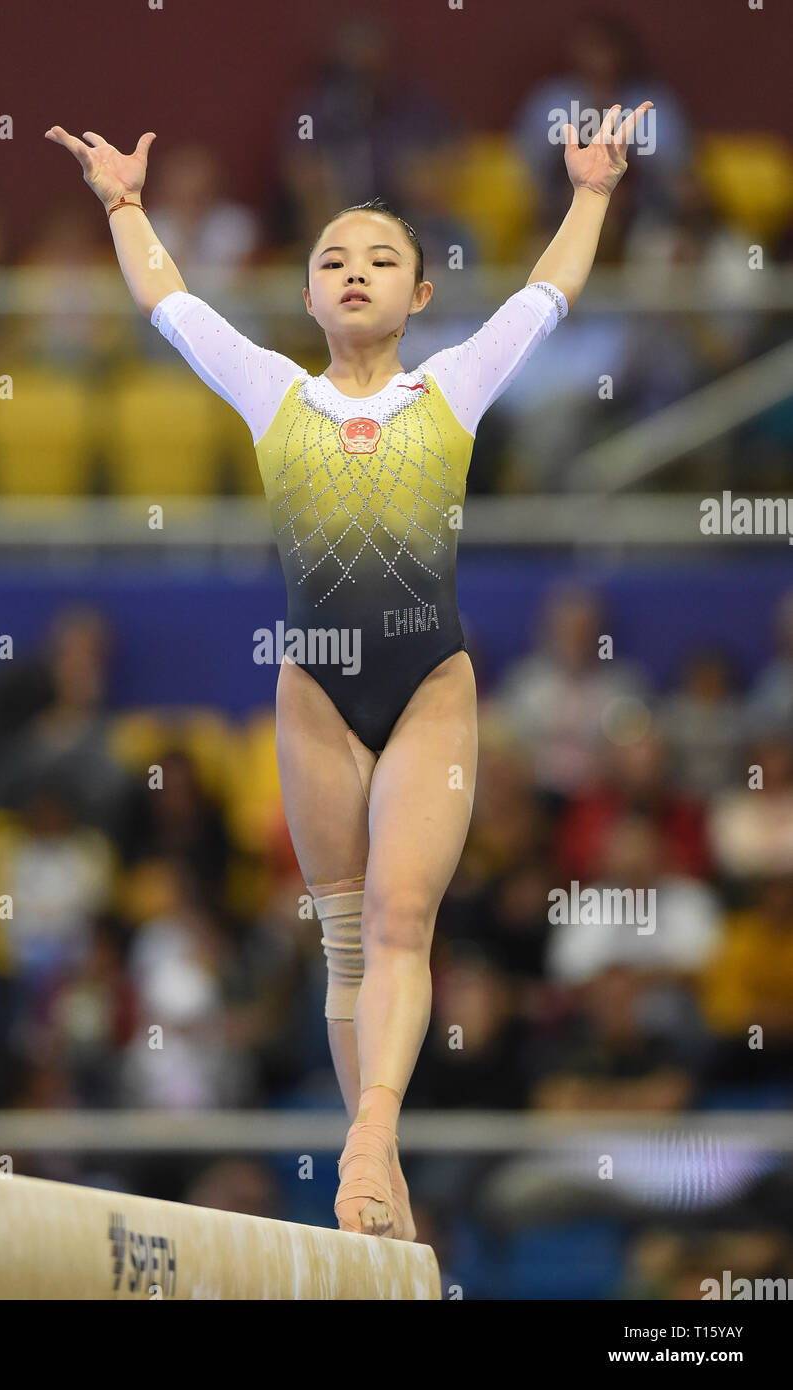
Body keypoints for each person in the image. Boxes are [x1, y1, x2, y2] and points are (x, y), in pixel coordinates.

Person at [46, 98, 653, 1240]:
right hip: (315, 690)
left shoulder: (451, 391)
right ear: (311, 294)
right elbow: (168, 302)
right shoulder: (276, 392)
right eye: (333, 258)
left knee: (399, 917)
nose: (355, 270)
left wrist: (591, 193)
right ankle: (374, 1156)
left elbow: (547, 297)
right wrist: (126, 207)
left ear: (421, 296)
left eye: (383, 259)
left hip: (431, 683)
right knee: (342, 942)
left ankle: (370, 1137)